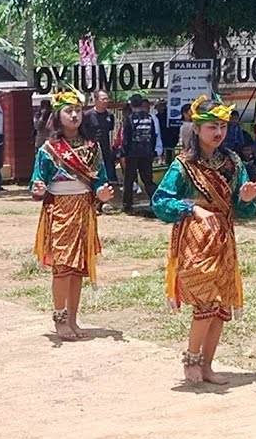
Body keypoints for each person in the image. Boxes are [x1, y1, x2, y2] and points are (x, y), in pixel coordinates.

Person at [152, 96, 256, 384]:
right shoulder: (184, 165)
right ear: (197, 129)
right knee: (205, 301)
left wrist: (245, 198)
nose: (218, 133)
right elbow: (161, 201)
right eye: (212, 127)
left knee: (221, 305)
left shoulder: (233, 162)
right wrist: (192, 208)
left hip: (223, 236)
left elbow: (242, 209)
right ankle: (190, 358)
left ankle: (207, 365)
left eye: (223, 127)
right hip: (195, 236)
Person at [30, 89, 116, 341]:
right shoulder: (49, 149)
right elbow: (38, 181)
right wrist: (37, 189)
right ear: (58, 116)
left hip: (83, 210)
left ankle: (74, 319)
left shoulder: (92, 147)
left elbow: (98, 179)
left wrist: (102, 192)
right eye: (69, 111)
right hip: (59, 210)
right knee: (63, 267)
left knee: (78, 268)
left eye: (78, 110)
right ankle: (59, 319)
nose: (74, 115)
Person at [120, 94, 163, 212]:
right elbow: (154, 135)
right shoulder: (150, 118)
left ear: (131, 105)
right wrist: (153, 152)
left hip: (132, 153)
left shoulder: (128, 118)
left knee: (128, 180)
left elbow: (126, 139)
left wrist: (123, 154)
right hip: (147, 153)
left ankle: (127, 206)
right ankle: (156, 201)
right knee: (147, 180)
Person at [81, 90, 117, 211]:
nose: (106, 101)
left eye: (107, 99)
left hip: (106, 149)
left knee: (105, 175)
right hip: (91, 149)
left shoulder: (110, 115)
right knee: (92, 175)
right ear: (96, 100)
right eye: (103, 99)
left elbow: (110, 130)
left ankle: (102, 202)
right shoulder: (87, 115)